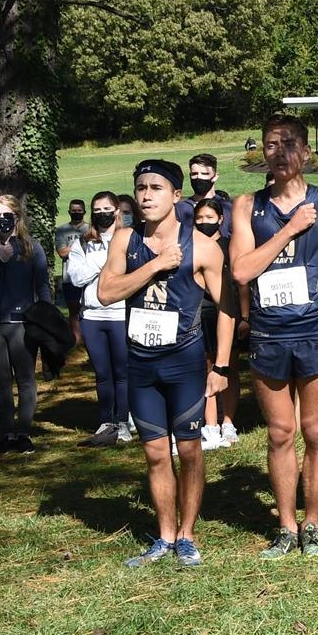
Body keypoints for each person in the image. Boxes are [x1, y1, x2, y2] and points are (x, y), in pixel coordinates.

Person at [97, 160, 235, 568]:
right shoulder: (125, 240)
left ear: (177, 196)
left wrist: (222, 366)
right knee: (156, 454)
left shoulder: (202, 245)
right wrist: (156, 265)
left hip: (184, 363)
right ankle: (164, 535)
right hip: (142, 364)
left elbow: (227, 306)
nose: (145, 195)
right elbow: (106, 292)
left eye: (156, 188)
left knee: (190, 450)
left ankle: (187, 535)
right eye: (140, 187)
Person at [230, 113, 318, 559]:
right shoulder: (247, 206)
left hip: (316, 331)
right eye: (269, 145)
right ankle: (286, 525)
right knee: (280, 432)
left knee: (315, 430)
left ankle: (313, 523)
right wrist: (289, 229)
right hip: (268, 333)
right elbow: (241, 270)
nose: (278, 153)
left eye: (288, 145)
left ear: (304, 152)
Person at [0, 194, 53, 454]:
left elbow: (42, 286)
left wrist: (47, 319)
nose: (2, 221)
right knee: (1, 380)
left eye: (7, 216)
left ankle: (23, 433)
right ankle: (7, 432)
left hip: (22, 324)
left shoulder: (32, 247)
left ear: (17, 217)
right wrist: (1, 260)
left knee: (26, 379)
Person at [69, 192, 131, 447]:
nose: (102, 213)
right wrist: (106, 263)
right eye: (97, 209)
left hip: (120, 314)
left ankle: (124, 421)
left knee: (122, 371)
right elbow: (76, 277)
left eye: (107, 208)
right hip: (92, 316)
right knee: (102, 372)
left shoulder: (130, 239)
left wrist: (113, 258)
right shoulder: (82, 243)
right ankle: (107, 421)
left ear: (117, 211)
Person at [191, 198, 240, 449]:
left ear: (221, 219)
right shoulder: (192, 247)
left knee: (228, 368)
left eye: (209, 218)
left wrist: (245, 316)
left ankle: (228, 422)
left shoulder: (229, 246)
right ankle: (210, 425)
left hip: (226, 314)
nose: (203, 223)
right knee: (206, 369)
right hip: (200, 315)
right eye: (199, 219)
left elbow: (240, 284)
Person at [53, 198, 89, 357]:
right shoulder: (61, 230)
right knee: (73, 311)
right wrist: (82, 245)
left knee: (89, 310)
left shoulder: (90, 228)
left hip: (89, 276)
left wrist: (72, 249)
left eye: (79, 210)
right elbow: (61, 252)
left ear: (84, 211)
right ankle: (76, 342)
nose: (76, 213)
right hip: (70, 276)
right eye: (73, 210)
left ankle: (88, 341)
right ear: (69, 211)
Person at [188, 153, 233, 237]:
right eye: (194, 174)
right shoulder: (182, 209)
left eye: (205, 174)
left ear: (215, 176)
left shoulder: (228, 208)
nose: (199, 177)